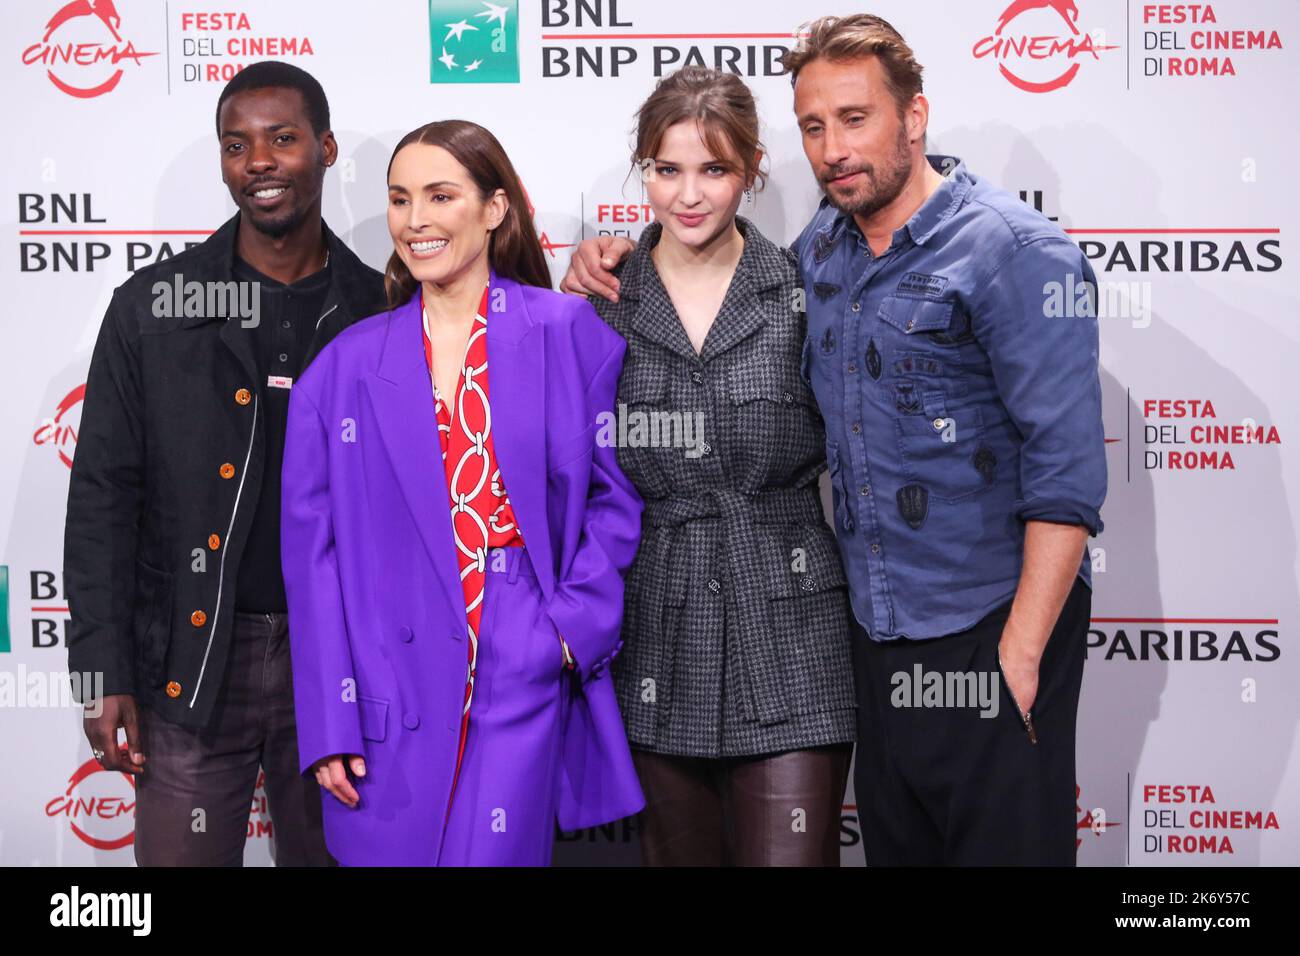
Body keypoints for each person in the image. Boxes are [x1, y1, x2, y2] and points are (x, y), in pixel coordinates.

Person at [563, 14, 1107, 866]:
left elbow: (1066, 472)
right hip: (871, 629)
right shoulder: (825, 251)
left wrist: (1022, 650)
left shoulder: (1010, 251)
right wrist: (602, 263)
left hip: (988, 621)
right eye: (814, 125)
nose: (834, 147)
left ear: (914, 116)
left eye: (855, 118)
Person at [281, 119, 645, 866]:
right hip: (387, 693)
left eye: (441, 196)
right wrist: (329, 721)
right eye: (400, 199)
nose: (417, 221)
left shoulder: (565, 330)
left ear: (494, 208)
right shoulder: (343, 367)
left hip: (517, 671)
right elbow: (311, 563)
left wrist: (566, 633)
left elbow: (615, 500)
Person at [65, 61, 387, 866]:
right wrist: (101, 672)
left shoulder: (380, 308)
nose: (260, 163)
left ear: (326, 148)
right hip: (189, 661)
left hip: (338, 665)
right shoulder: (152, 306)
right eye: (237, 145)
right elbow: (102, 495)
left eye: (283, 139)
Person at [579, 66, 856, 867]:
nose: (689, 195)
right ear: (644, 170)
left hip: (794, 632)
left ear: (751, 170)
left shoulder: (806, 287)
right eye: (667, 170)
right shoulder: (603, 299)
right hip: (656, 632)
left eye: (714, 169)